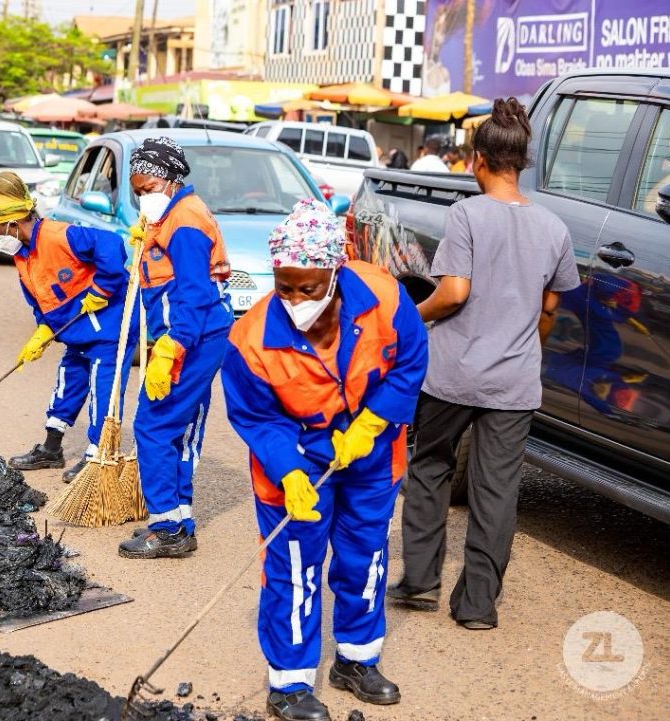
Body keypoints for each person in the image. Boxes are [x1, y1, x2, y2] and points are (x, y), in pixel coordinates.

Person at [222, 199, 428, 720]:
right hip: (296, 460)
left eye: (307, 288)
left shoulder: (381, 296)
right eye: (284, 286)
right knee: (294, 567)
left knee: (366, 557)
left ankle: (356, 659)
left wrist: (373, 421)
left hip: (371, 455)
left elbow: (411, 358)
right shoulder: (250, 339)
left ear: (333, 274)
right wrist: (289, 471)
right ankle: (288, 683)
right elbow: (256, 417)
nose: (294, 299)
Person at [389, 98, 580, 630]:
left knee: (430, 468)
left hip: (453, 373)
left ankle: (421, 583)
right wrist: (527, 347)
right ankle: (477, 606)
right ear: (520, 163)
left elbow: (452, 293)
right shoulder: (553, 227)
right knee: (497, 490)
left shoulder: (466, 214)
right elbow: (549, 308)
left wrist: (413, 314)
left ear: (478, 159)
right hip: (515, 382)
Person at [117, 137, 233, 560]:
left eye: (146, 189)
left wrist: (173, 348)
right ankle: (180, 522)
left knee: (152, 426)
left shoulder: (183, 222)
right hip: (202, 334)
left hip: (191, 336)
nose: (141, 198)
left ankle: (166, 525)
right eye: (136, 192)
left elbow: (194, 293)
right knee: (175, 429)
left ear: (168, 179)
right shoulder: (172, 213)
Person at [0, 171, 136, 482]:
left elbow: (112, 245)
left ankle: (97, 456)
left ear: (14, 222)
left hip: (108, 327)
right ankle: (52, 448)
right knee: (68, 382)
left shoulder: (59, 235)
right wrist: (42, 331)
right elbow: (39, 298)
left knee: (103, 391)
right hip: (74, 330)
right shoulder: (22, 254)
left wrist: (102, 291)